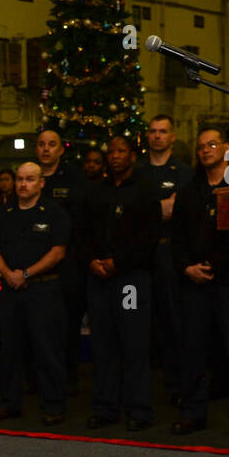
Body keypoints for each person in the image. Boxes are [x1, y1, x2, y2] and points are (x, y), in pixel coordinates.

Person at [169, 125, 229, 438]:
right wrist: (187, 268)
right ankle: (192, 413)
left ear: (226, 148)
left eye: (212, 144)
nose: (205, 150)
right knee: (192, 350)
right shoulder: (189, 191)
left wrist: (213, 264)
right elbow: (176, 239)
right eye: (201, 146)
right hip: (194, 284)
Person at [79, 135, 162, 430]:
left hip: (131, 278)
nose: (114, 156)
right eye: (110, 150)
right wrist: (92, 260)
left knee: (134, 344)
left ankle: (139, 411)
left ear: (132, 155)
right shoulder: (95, 191)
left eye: (121, 151)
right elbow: (82, 232)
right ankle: (105, 408)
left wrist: (119, 262)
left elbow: (149, 238)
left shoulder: (144, 190)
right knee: (103, 344)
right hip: (98, 277)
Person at [0, 162, 72, 426]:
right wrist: (9, 274)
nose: (23, 184)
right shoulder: (4, 213)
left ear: (41, 183)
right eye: (20, 179)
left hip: (43, 289)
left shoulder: (54, 213)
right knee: (9, 350)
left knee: (47, 349)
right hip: (11, 290)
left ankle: (54, 405)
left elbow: (58, 252)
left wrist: (26, 274)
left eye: (30, 179)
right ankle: (9, 403)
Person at [137, 114, 194, 402]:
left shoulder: (184, 173)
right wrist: (158, 209)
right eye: (153, 131)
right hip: (140, 258)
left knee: (174, 322)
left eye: (163, 131)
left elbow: (180, 213)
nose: (157, 136)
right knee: (142, 324)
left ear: (172, 137)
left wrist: (149, 211)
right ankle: (141, 391)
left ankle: (177, 387)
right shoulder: (138, 173)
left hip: (170, 254)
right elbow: (134, 215)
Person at [35, 128, 88, 391]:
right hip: (34, 265)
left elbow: (80, 221)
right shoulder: (29, 178)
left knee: (68, 321)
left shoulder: (75, 179)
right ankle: (38, 376)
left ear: (61, 150)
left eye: (52, 144)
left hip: (68, 262)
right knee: (38, 323)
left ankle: (68, 374)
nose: (46, 149)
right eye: (42, 144)